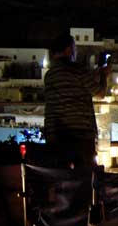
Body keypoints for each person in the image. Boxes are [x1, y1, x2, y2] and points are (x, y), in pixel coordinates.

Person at [42, 32, 103, 176]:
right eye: (74, 49)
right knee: (86, 176)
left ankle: (64, 198)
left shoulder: (49, 76)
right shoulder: (78, 70)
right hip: (81, 133)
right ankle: (85, 199)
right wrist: (104, 76)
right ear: (69, 49)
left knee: (61, 177)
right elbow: (99, 93)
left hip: (57, 133)